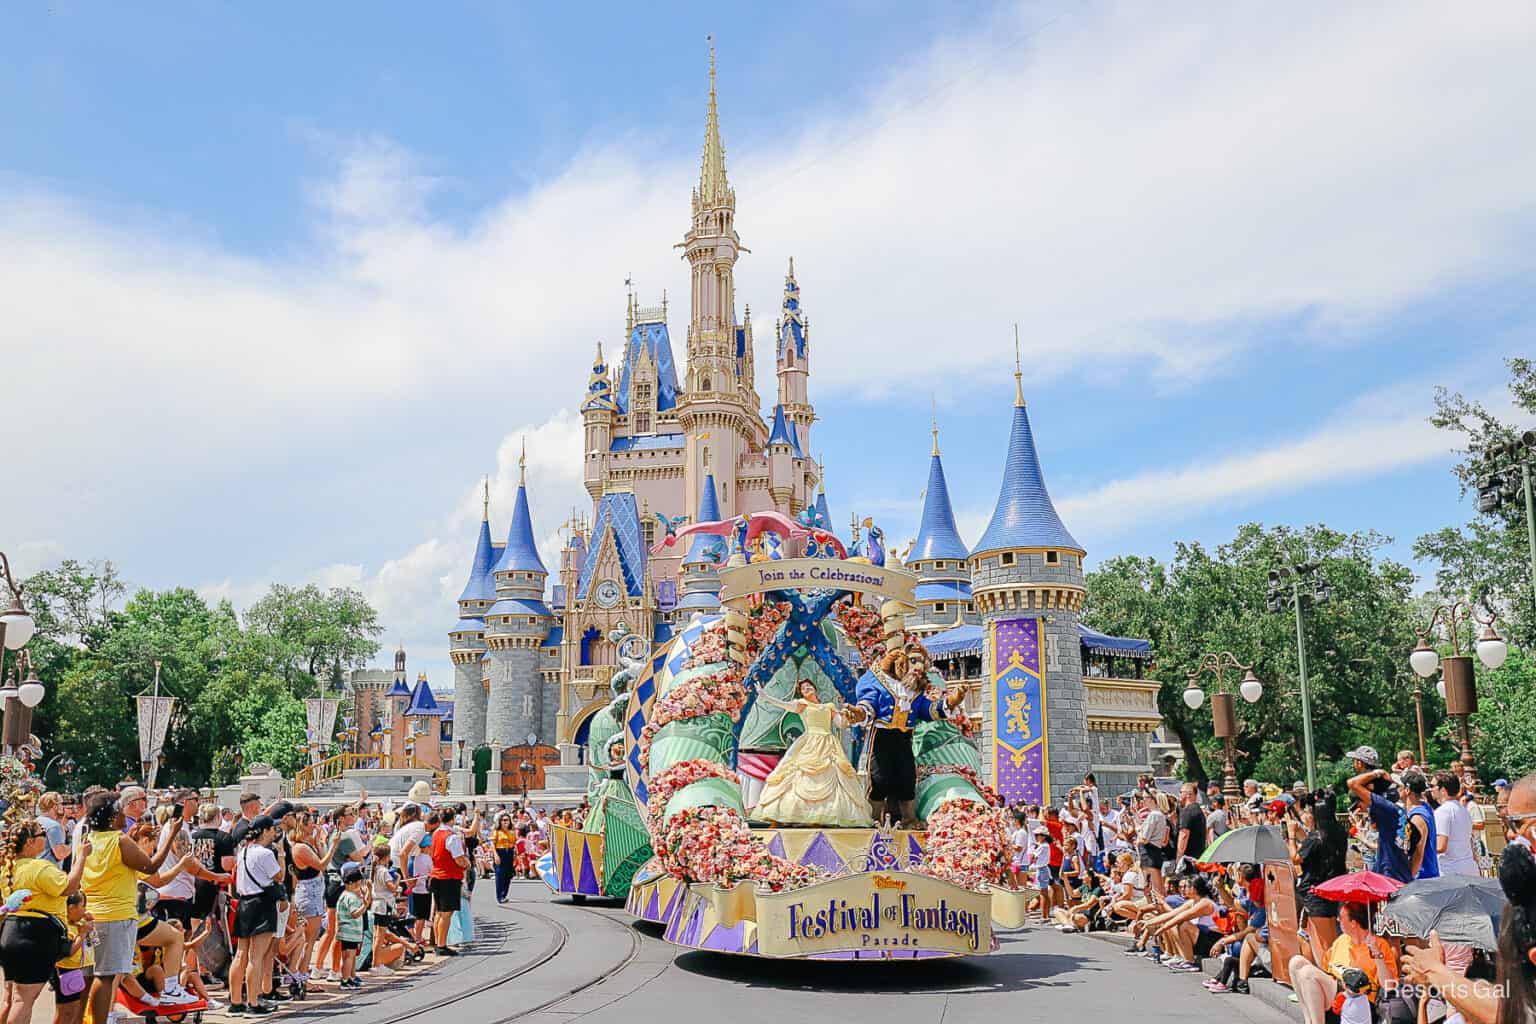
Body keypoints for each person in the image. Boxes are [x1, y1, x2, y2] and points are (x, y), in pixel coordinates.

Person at [79, 792, 177, 1024]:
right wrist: (171, 835)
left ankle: (80, 1020)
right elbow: (150, 867)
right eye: (121, 811)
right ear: (113, 816)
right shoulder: (119, 840)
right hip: (116, 916)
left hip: (91, 914)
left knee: (89, 976)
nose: (125, 815)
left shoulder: (87, 839)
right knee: (105, 977)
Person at [850, 640, 966, 827]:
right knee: (879, 779)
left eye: (921, 662)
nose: (918, 667)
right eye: (913, 661)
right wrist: (859, 713)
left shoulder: (916, 693)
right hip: (881, 737)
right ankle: (873, 819)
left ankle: (908, 819)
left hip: (904, 739)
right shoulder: (880, 682)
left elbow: (929, 711)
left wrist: (951, 701)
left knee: (907, 778)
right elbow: (868, 704)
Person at [0, 819, 89, 1024]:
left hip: (11, 933)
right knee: (23, 1000)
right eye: (42, 835)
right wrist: (82, 856)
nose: (46, 839)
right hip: (36, 936)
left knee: (13, 999)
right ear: (30, 842)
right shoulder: (39, 867)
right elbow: (69, 887)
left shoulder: (8, 869)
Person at [753, 680, 873, 828]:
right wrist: (765, 696)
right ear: (802, 693)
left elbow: (841, 724)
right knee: (797, 775)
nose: (807, 688)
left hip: (828, 744)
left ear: (815, 689)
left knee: (834, 774)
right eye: (803, 688)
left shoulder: (829, 706)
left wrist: (849, 717)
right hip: (809, 742)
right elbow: (784, 705)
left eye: (809, 686)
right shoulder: (802, 704)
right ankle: (788, 815)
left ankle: (823, 817)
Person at [1288, 902, 1399, 1024]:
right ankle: (1309, 1020)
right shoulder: (1342, 940)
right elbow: (1324, 966)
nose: (1338, 920)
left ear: (1353, 923)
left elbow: (1389, 985)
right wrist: (1312, 935)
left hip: (1360, 1001)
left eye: (1341, 917)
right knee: (1296, 962)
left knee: (1307, 973)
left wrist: (1377, 953)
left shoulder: (1379, 945)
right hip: (1337, 995)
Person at [229, 816, 284, 1015]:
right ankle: (253, 1002)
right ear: (265, 831)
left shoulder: (243, 851)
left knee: (241, 953)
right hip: (261, 904)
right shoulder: (265, 853)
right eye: (272, 829)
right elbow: (279, 876)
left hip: (244, 903)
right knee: (256, 956)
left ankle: (236, 1001)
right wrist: (281, 854)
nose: (275, 832)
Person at [1294, 791, 1347, 966]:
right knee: (1327, 939)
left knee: (1325, 945)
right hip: (1332, 889)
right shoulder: (1339, 832)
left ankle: (1331, 977)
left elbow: (1296, 858)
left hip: (1316, 893)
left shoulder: (1316, 836)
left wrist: (1291, 835)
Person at [1348, 765, 1413, 883]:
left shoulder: (1384, 806)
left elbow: (1352, 783)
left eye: (1360, 803)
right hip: (1399, 874)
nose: (1361, 808)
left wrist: (1377, 773)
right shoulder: (1395, 809)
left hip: (1391, 876)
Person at [429, 806, 469, 957]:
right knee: (446, 913)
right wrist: (467, 864)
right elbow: (459, 859)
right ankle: (441, 945)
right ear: (452, 819)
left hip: (437, 876)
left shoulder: (436, 834)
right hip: (448, 877)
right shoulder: (452, 837)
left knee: (439, 912)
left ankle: (438, 942)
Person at [1434, 771, 1479, 877]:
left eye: (1433, 786)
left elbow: (1441, 846)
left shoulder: (1442, 811)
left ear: (1443, 790)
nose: (1431, 789)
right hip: (1469, 867)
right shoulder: (1464, 810)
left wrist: (1420, 849)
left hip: (1451, 871)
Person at [333, 866, 367, 991]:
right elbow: (355, 914)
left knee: (346, 956)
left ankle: (347, 978)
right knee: (350, 957)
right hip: (351, 931)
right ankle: (345, 980)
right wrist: (365, 905)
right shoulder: (351, 897)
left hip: (344, 931)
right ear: (354, 883)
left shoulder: (344, 895)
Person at [1136, 791, 1170, 899]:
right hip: (1155, 852)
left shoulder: (1154, 815)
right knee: (1155, 888)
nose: (1143, 800)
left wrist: (1138, 830)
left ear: (1151, 799)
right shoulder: (1160, 815)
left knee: (1154, 890)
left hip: (1149, 853)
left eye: (1144, 797)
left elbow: (1144, 839)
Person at [1175, 782, 1207, 870]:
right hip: (1197, 857)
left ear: (1188, 794)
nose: (1179, 795)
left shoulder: (1188, 811)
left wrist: (1178, 858)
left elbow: (1184, 835)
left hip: (1187, 859)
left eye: (1181, 792)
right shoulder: (1198, 810)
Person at [35, 794, 71, 867]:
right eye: (61, 803)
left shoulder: (36, 821)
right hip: (50, 870)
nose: (63, 807)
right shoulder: (54, 826)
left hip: (37, 868)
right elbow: (60, 854)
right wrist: (76, 844)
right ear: (55, 806)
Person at [492, 814, 517, 903]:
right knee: (500, 875)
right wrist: (495, 855)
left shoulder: (512, 832)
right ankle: (499, 896)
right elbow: (493, 844)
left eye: (507, 820)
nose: (505, 822)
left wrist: (515, 854)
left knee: (508, 875)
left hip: (509, 853)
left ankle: (504, 894)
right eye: (503, 820)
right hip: (500, 852)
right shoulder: (497, 832)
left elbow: (514, 844)